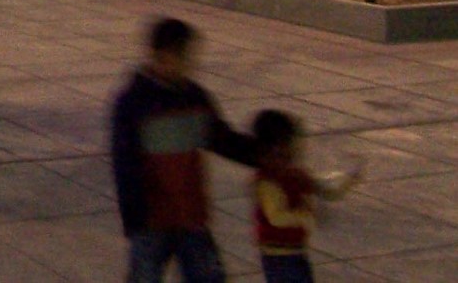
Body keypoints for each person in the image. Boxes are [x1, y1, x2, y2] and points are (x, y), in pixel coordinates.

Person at [112, 17, 260, 283]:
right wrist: (134, 218)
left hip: (191, 215)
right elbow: (125, 165)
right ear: (162, 55)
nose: (190, 65)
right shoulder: (133, 103)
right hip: (151, 220)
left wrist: (261, 154)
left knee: (208, 277)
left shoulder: (194, 97)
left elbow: (221, 139)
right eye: (185, 57)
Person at [250, 110, 361, 283]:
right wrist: (304, 217)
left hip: (295, 252)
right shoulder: (267, 182)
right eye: (285, 150)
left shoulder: (295, 175)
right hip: (278, 257)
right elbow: (276, 217)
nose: (292, 154)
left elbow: (324, 189)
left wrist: (348, 180)